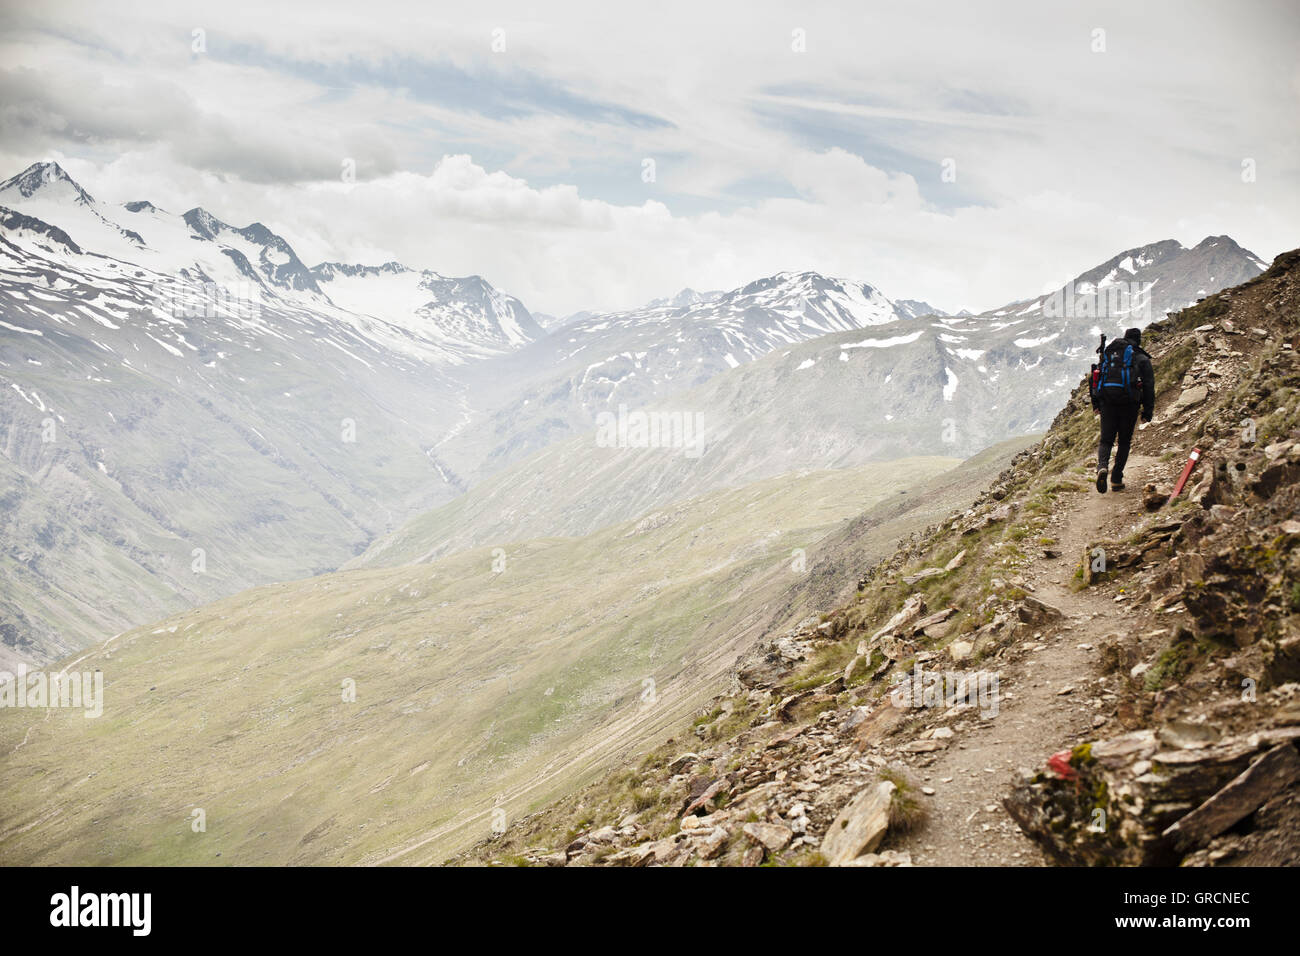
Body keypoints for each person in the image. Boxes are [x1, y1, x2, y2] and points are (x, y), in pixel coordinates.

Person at [1092, 327, 1155, 492]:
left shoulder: (1109, 354)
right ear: (1138, 340)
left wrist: (1096, 404)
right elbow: (1149, 386)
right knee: (1124, 442)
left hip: (1107, 402)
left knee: (1106, 440)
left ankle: (1102, 466)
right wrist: (1147, 412)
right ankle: (1116, 478)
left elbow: (1095, 377)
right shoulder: (1141, 358)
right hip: (1129, 404)